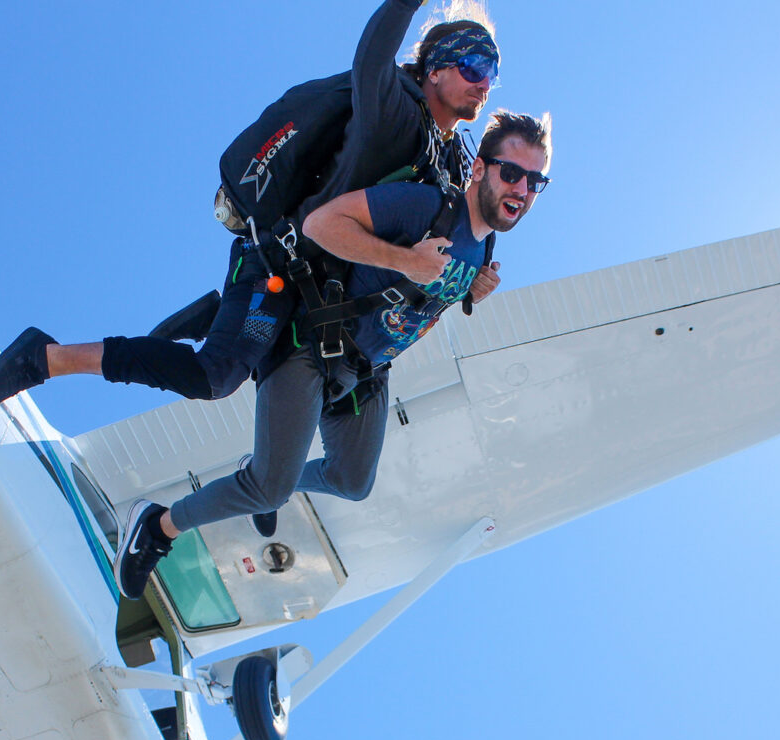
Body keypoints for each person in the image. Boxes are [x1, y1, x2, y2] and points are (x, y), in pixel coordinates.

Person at [0, 2, 502, 416]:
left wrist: (470, 281)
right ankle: (45, 357)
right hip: (280, 264)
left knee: (311, 391)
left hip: (324, 292)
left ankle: (217, 320)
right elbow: (371, 58)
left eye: (491, 72)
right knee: (217, 376)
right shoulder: (393, 110)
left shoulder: (451, 165)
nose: (483, 82)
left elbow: (450, 235)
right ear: (435, 69)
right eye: (473, 65)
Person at [113, 111, 552, 599]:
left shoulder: (484, 245)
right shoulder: (426, 206)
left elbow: (423, 291)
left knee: (351, 480)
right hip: (311, 344)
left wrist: (471, 289)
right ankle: (157, 525)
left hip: (366, 372)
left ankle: (264, 469)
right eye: (512, 173)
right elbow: (321, 224)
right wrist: (407, 260)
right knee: (268, 488)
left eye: (535, 182)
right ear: (480, 169)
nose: (522, 189)